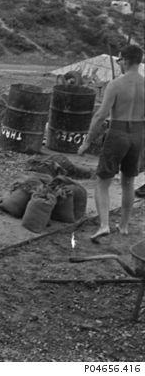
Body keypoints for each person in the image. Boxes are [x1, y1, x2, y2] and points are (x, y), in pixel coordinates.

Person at [78, 44, 145, 241]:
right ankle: (124, 226)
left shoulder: (116, 84)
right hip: (139, 134)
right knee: (128, 182)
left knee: (103, 181)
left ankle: (104, 225)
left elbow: (100, 116)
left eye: (120, 61)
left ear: (124, 60)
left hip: (117, 132)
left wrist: (87, 142)